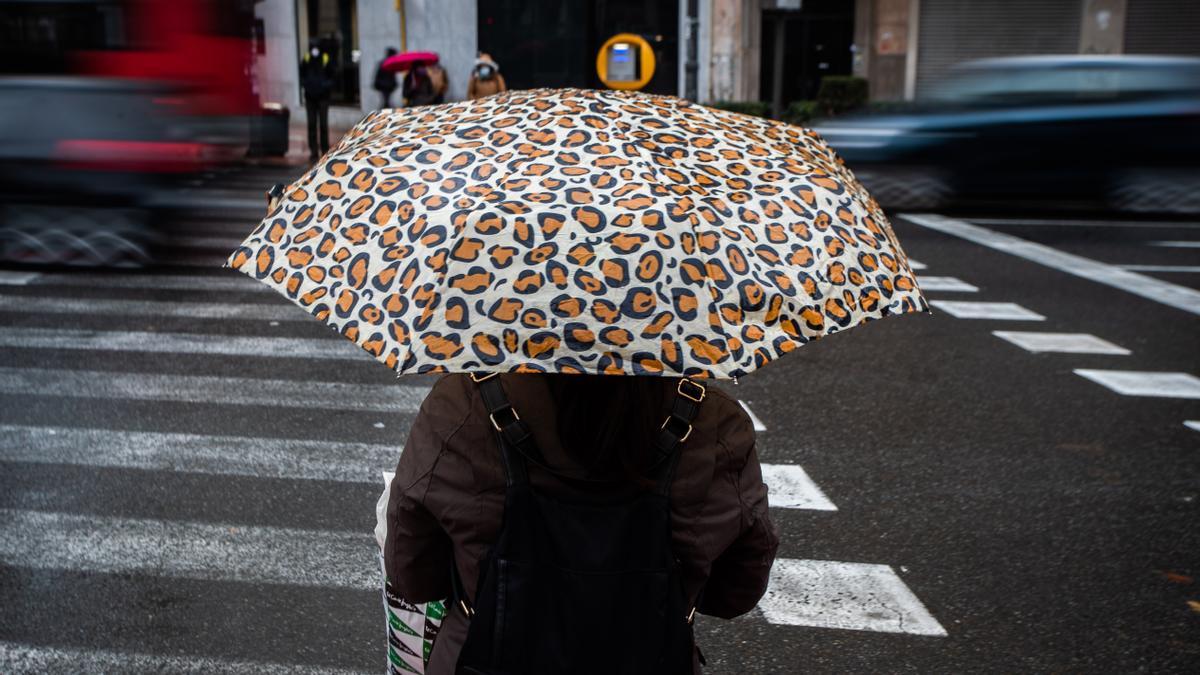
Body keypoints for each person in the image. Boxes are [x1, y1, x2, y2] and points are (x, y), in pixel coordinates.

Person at [384, 373, 778, 673]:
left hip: (481, 657)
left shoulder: (461, 404)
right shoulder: (714, 418)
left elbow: (412, 575)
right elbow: (734, 594)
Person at [299, 40, 333, 162]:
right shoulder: (307, 59)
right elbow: (301, 75)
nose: (315, 50)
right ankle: (313, 150)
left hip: (323, 97)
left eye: (316, 47)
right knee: (312, 124)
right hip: (310, 97)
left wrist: (324, 86)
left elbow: (332, 76)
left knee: (323, 124)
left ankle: (324, 150)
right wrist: (307, 85)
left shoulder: (325, 59)